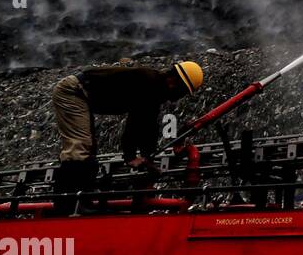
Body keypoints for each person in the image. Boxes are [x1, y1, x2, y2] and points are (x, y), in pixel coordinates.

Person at [51, 61, 204, 193]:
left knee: (88, 149)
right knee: (79, 147)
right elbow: (135, 121)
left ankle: (80, 198)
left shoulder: (155, 89)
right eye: (182, 92)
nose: (178, 98)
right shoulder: (149, 83)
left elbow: (149, 124)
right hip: (73, 91)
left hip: (83, 95)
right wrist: (130, 157)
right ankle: (67, 204)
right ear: (174, 82)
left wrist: (147, 157)